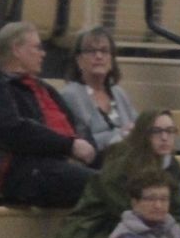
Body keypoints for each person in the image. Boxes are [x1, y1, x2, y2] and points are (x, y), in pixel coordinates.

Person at [50, 109, 180, 238]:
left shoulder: (170, 165)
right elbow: (133, 216)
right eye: (156, 131)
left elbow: (177, 213)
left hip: (145, 230)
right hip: (93, 235)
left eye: (170, 131)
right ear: (143, 134)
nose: (164, 137)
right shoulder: (121, 165)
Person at [0, 21, 97, 207]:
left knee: (128, 181)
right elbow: (14, 131)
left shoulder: (46, 90)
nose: (43, 53)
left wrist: (86, 148)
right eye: (37, 47)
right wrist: (69, 145)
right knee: (104, 187)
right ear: (16, 49)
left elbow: (76, 126)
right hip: (24, 173)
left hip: (62, 166)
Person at [55, 26, 138, 154]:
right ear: (79, 60)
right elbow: (83, 141)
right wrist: (121, 135)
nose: (99, 56)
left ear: (112, 59)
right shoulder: (71, 95)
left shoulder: (119, 93)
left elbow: (137, 127)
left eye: (104, 51)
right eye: (91, 51)